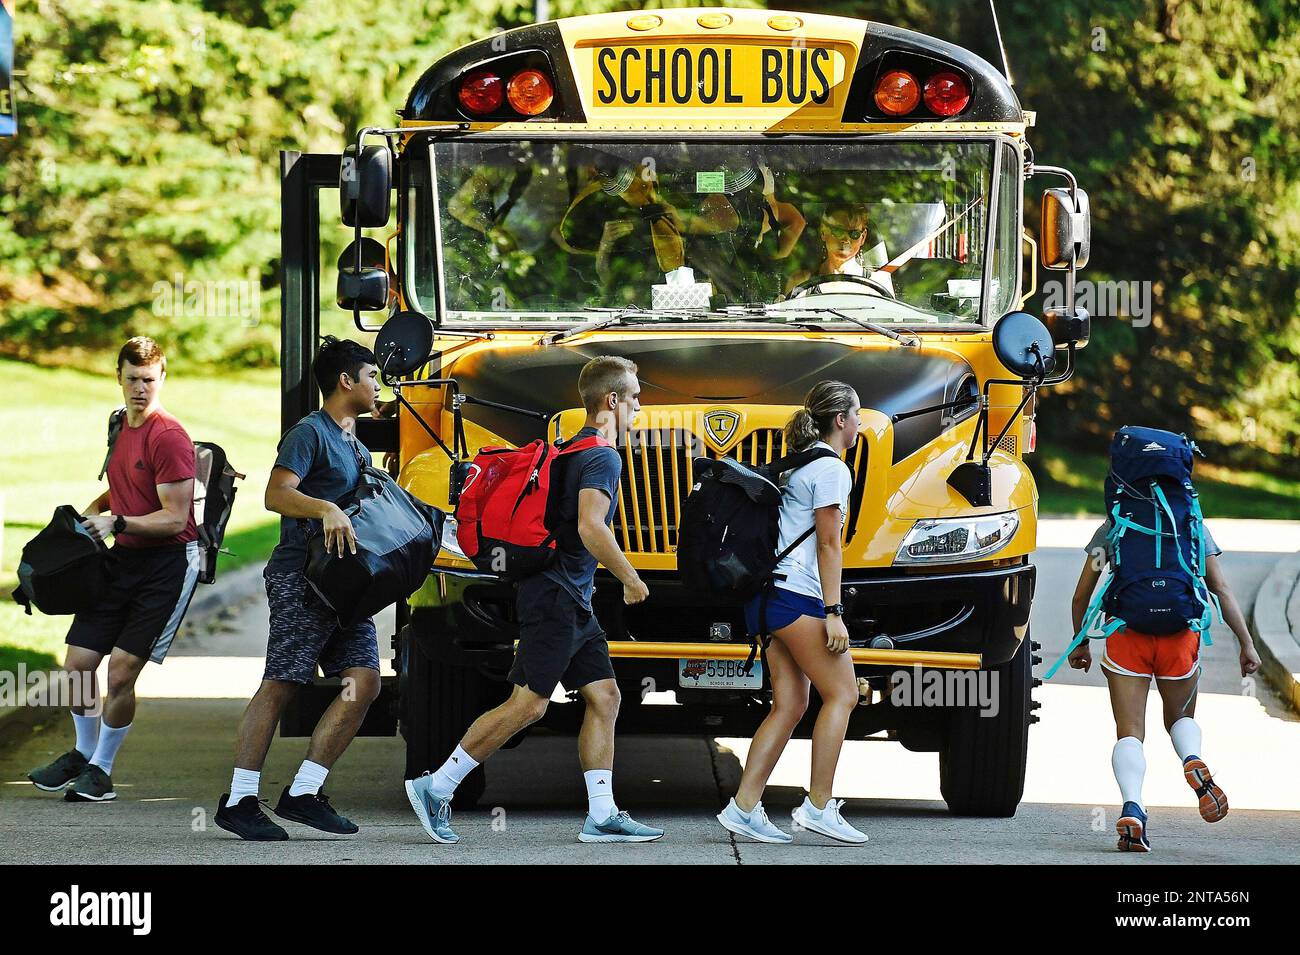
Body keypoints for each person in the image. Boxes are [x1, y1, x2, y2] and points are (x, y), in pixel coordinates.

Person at [405, 356, 664, 844]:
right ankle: (437, 786)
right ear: (612, 402)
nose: (638, 407)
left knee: (606, 696)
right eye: (633, 398)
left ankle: (602, 814)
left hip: (568, 598)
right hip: (556, 599)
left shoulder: (571, 448)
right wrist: (630, 577)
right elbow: (592, 526)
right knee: (528, 706)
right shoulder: (603, 456)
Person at [214, 337, 384, 841]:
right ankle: (240, 800)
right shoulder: (309, 432)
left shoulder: (354, 441)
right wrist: (325, 509)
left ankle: (304, 792)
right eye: (371, 376)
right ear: (345, 381)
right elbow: (276, 493)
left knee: (364, 681)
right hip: (301, 577)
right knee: (283, 682)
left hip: (346, 584)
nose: (378, 385)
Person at [28, 337, 201, 803]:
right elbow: (119, 487)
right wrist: (92, 517)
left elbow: (175, 517)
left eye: (148, 380)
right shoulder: (119, 425)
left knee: (121, 672)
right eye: (132, 380)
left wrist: (117, 521)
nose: (140, 389)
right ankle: (83, 755)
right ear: (118, 379)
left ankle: (102, 770)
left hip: (166, 565)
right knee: (79, 664)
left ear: (162, 378)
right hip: (121, 558)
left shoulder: (169, 437)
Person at [716, 380, 869, 845]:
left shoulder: (798, 465)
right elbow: (828, 543)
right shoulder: (830, 469)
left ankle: (743, 808)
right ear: (840, 420)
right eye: (857, 415)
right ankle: (818, 806)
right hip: (798, 597)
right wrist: (834, 611)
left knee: (791, 705)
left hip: (767, 598)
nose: (861, 423)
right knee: (843, 695)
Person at [1067, 511, 1262, 852]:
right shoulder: (1192, 524)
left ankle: (1133, 809)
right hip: (1180, 635)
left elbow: (1081, 596)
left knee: (1130, 730)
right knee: (1180, 719)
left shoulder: (1114, 526)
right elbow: (1221, 589)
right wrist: (1246, 643)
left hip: (1127, 634)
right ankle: (1191, 758)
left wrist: (1080, 642)